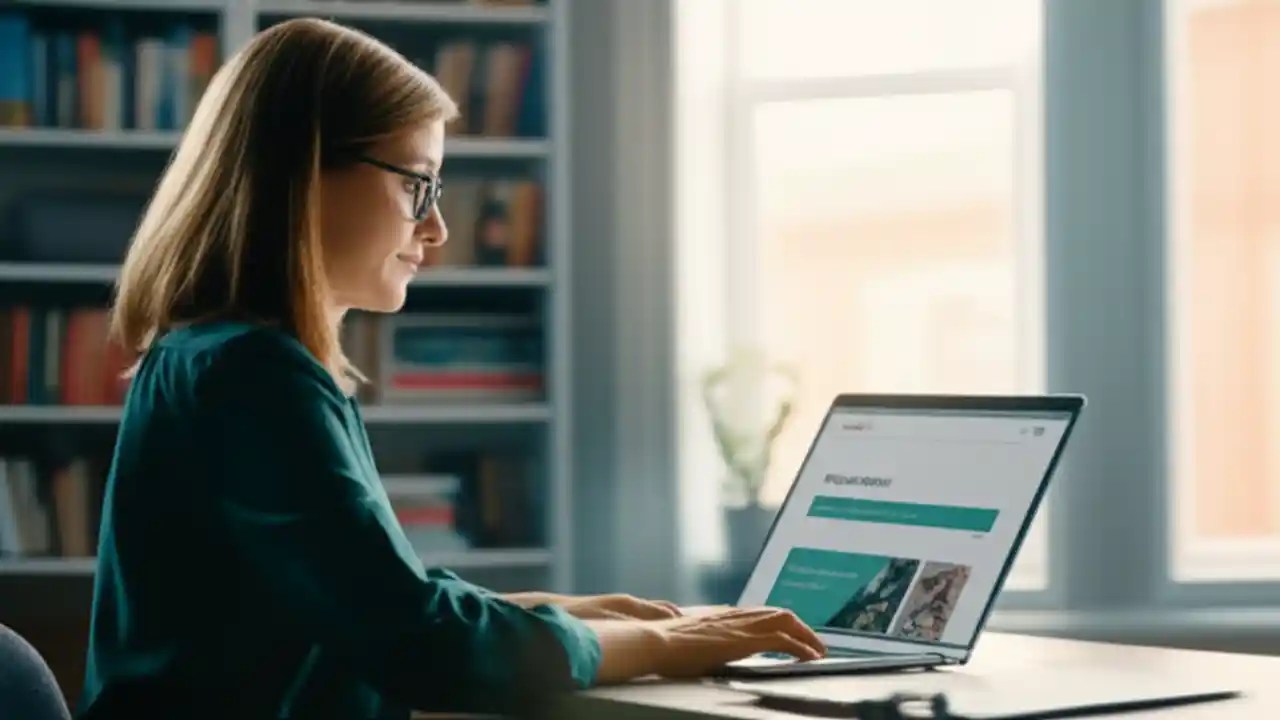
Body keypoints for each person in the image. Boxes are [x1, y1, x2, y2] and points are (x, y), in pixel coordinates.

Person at [79, 18, 825, 720]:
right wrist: (656, 645)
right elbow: (418, 640)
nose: (435, 227)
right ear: (304, 172)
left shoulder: (210, 357)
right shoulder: (254, 377)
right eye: (418, 184)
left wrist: (568, 614)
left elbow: (366, 598)